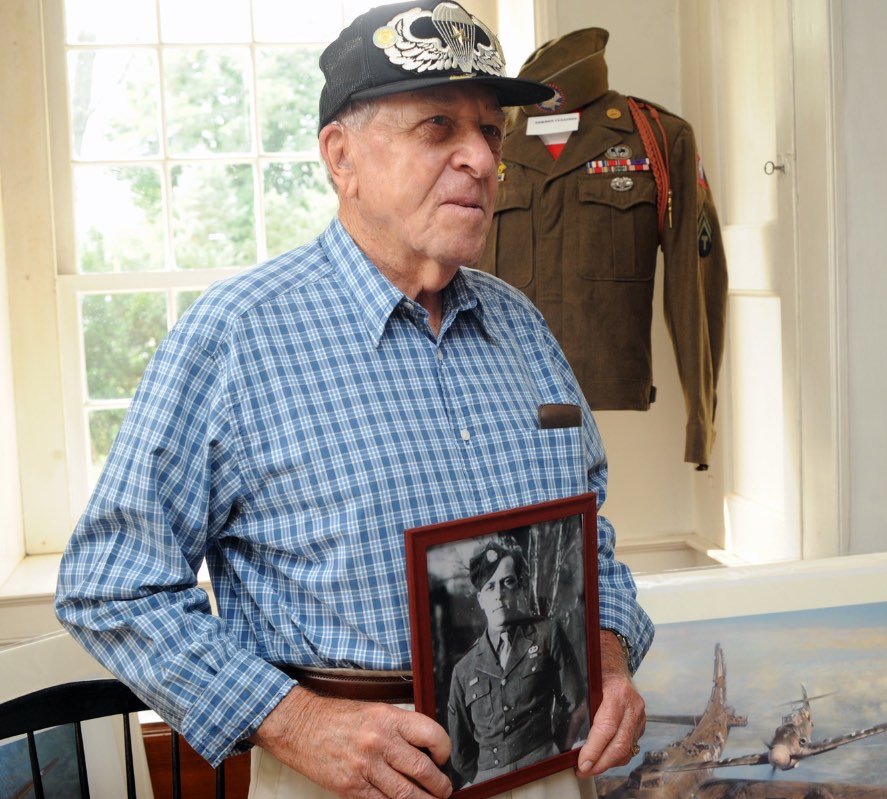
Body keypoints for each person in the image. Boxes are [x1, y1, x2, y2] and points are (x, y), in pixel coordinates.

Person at [55, 3, 654, 798]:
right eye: (439, 127)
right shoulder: (237, 338)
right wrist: (295, 721)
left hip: (548, 764)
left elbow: (591, 534)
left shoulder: (522, 325)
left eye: (490, 132)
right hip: (348, 777)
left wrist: (607, 649)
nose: (479, 158)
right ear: (341, 156)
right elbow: (109, 581)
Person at [447, 539, 587, 787]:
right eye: (490, 587)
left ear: (519, 588)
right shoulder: (464, 669)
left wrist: (556, 754)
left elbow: (575, 704)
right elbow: (460, 751)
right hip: (489, 782)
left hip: (544, 769)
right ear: (480, 599)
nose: (499, 595)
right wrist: (484, 780)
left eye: (507, 583)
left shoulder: (546, 633)